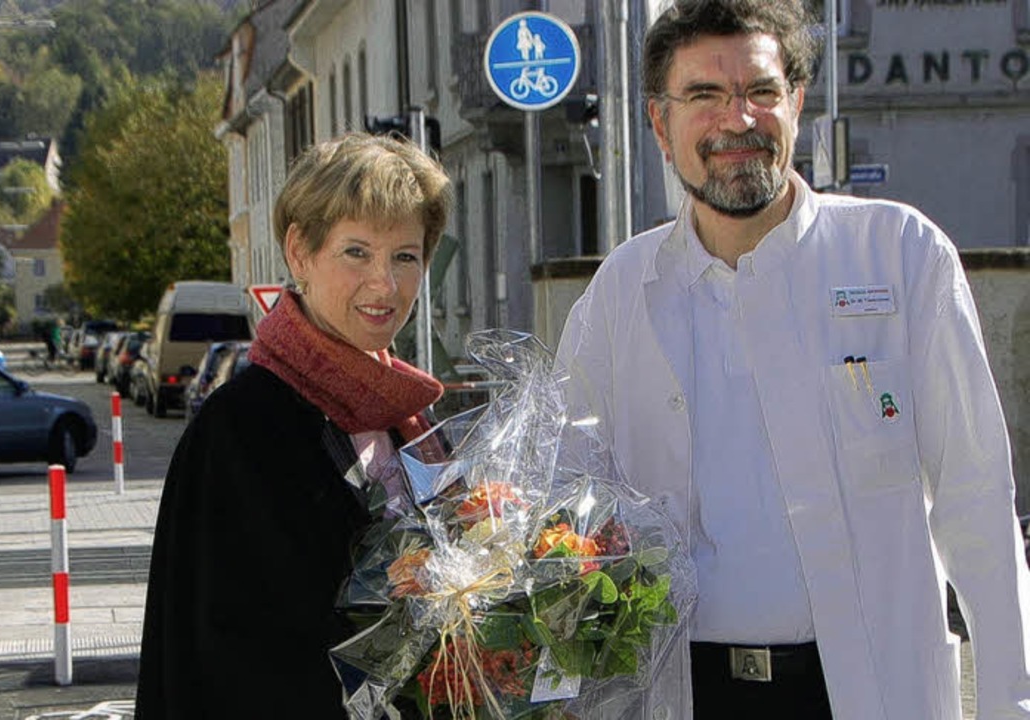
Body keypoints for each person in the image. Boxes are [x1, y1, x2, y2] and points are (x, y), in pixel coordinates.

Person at [553, 1, 1030, 718]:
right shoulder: (623, 292)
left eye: (761, 92)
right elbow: (566, 505)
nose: (737, 121)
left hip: (866, 693)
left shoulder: (900, 256)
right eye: (705, 96)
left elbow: (978, 501)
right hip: (684, 693)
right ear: (659, 123)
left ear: (797, 103)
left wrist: (1009, 705)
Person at [135, 133, 452, 718]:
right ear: (300, 252)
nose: (385, 284)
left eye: (405, 257)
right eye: (357, 252)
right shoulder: (243, 428)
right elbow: (221, 661)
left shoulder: (413, 420)